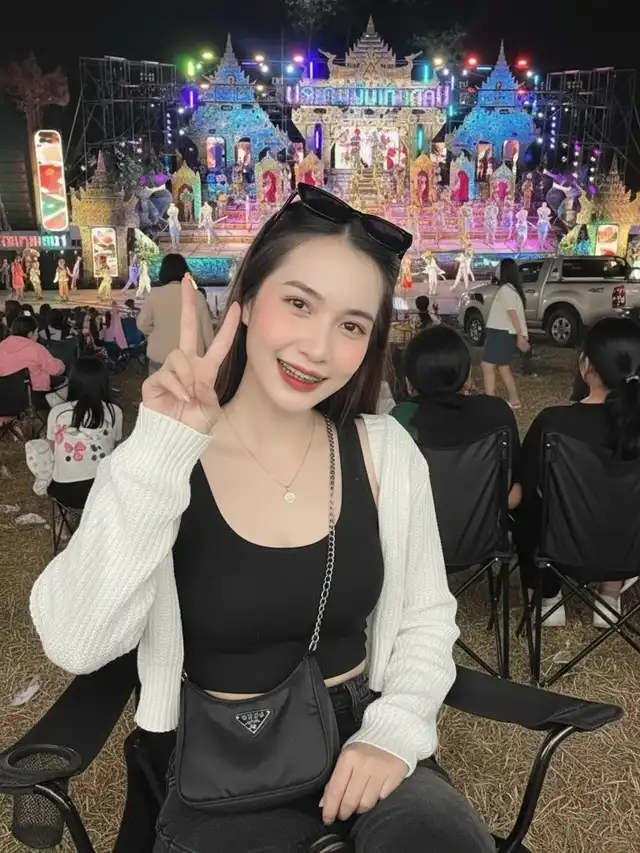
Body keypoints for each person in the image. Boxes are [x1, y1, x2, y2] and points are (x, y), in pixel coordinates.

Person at [30, 185, 494, 853]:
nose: (318, 348)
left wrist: (394, 731)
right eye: (299, 303)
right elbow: (75, 641)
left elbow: (426, 616)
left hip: (363, 738)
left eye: (352, 326)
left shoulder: (385, 451)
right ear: (245, 300)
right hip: (220, 763)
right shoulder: (159, 461)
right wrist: (161, 449)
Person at [517, 317, 640, 627]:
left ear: (586, 365)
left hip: (559, 554)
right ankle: (609, 597)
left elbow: (521, 492)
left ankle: (549, 597)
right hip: (631, 556)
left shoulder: (553, 422)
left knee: (529, 501)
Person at [392, 324, 521, 510]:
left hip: (418, 527)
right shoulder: (497, 411)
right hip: (486, 528)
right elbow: (513, 497)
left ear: (409, 383)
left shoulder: (398, 421)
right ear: (467, 378)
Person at [25, 356, 123, 507]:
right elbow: (114, 446)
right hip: (104, 491)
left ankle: (62, 516)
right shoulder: (114, 411)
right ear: (104, 382)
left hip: (65, 491)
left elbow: (52, 448)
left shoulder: (57, 412)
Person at [137, 253, 214, 375]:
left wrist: (157, 332)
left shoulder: (154, 295)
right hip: (191, 360)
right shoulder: (197, 296)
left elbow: (142, 324)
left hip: (161, 358)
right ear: (185, 271)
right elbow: (207, 332)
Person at [481, 258, 529, 410]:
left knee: (487, 366)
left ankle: (490, 403)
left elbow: (512, 314)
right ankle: (514, 400)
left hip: (501, 333)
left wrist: (520, 336)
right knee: (503, 367)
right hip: (502, 332)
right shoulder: (511, 289)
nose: (496, 270)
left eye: (498, 267)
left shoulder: (506, 290)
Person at [0, 314, 65, 412]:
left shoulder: (1, 346)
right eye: (36, 332)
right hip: (33, 399)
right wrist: (61, 364)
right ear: (30, 334)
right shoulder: (36, 348)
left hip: (4, 398)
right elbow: (55, 370)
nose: (37, 335)